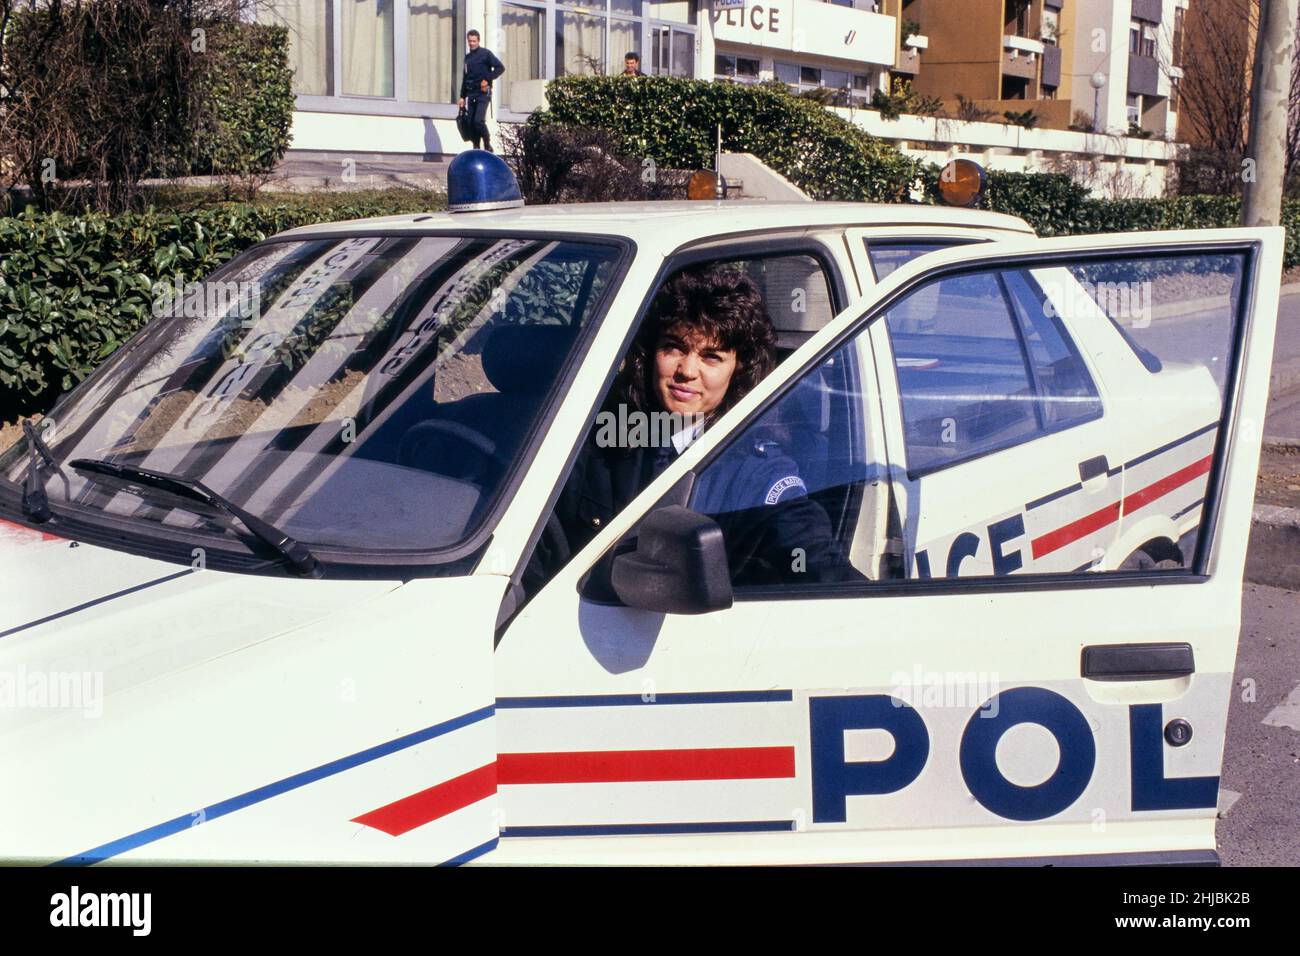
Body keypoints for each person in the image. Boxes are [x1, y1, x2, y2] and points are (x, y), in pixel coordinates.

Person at [524, 265, 858, 596]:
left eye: (711, 357)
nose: (686, 370)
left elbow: (809, 553)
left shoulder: (757, 473)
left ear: (738, 370)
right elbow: (538, 553)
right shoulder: (605, 440)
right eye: (673, 347)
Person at [459, 30, 505, 152]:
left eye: (474, 41)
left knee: (478, 121)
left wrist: (487, 79)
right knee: (471, 122)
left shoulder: (486, 54)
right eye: (470, 41)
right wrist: (462, 97)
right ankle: (476, 148)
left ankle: (487, 144)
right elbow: (465, 78)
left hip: (483, 93)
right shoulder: (467, 58)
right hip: (471, 92)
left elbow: (500, 68)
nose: (472, 43)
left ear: (478, 41)